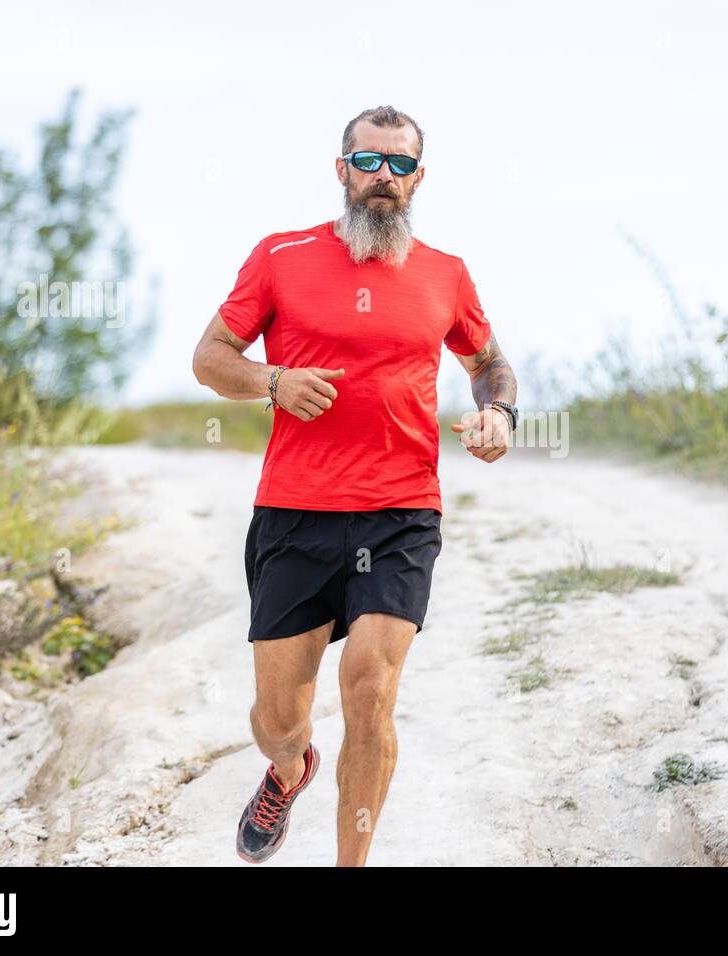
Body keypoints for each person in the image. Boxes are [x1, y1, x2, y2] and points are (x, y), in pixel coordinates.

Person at [191, 104, 519, 866]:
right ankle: (286, 769)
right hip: (294, 512)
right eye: (369, 161)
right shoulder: (281, 256)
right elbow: (209, 357)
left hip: (400, 513)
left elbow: (488, 364)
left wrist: (498, 412)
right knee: (279, 718)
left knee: (369, 689)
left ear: (418, 179)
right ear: (342, 170)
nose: (384, 177)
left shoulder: (446, 273)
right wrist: (271, 381)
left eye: (400, 165)